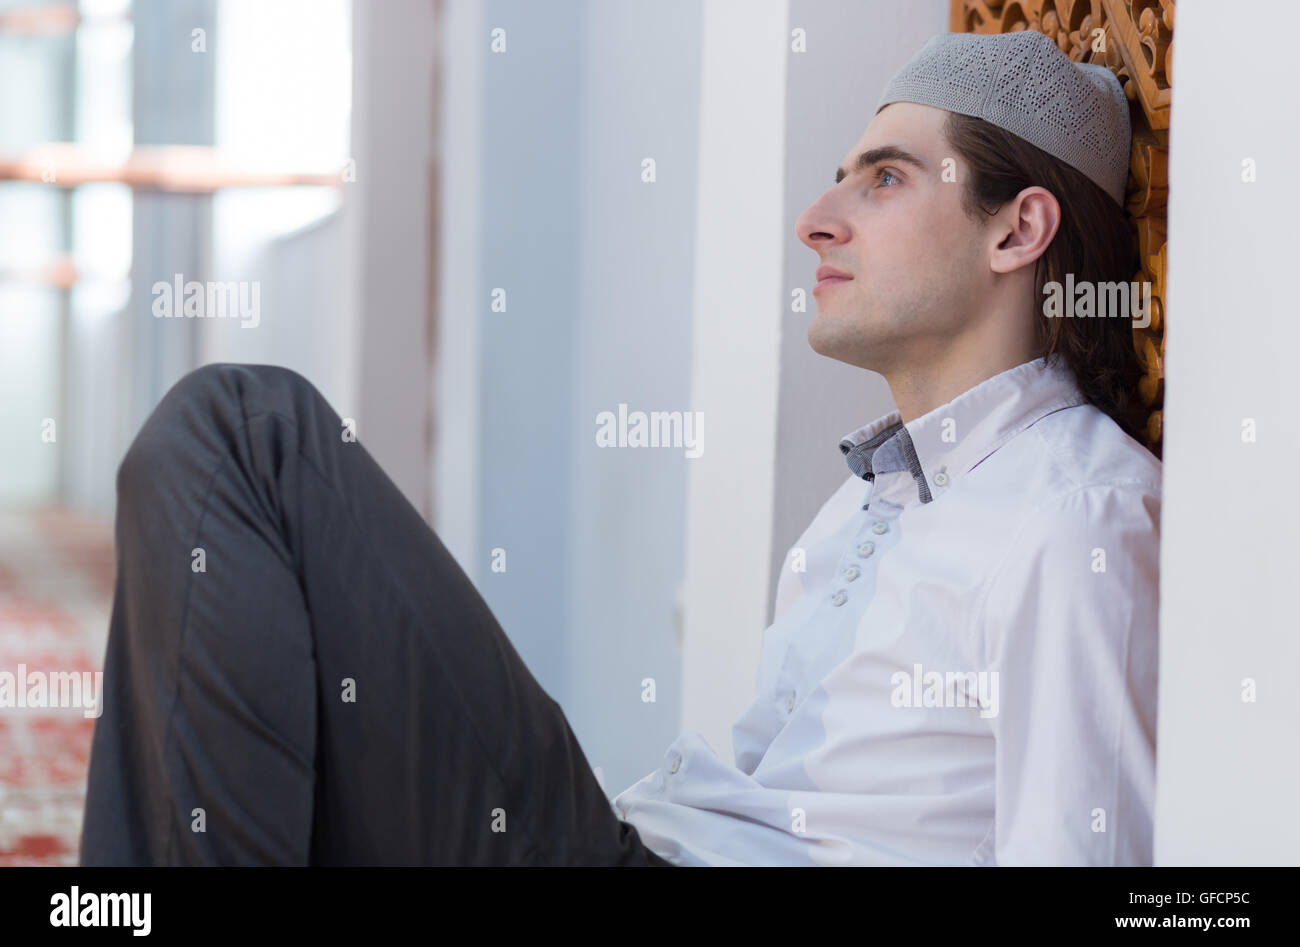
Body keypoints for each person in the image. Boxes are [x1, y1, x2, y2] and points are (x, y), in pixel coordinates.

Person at [81, 29, 1160, 866]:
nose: (817, 219)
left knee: (247, 433)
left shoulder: (1075, 517)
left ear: (1017, 231)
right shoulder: (869, 502)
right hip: (631, 830)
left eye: (883, 178)